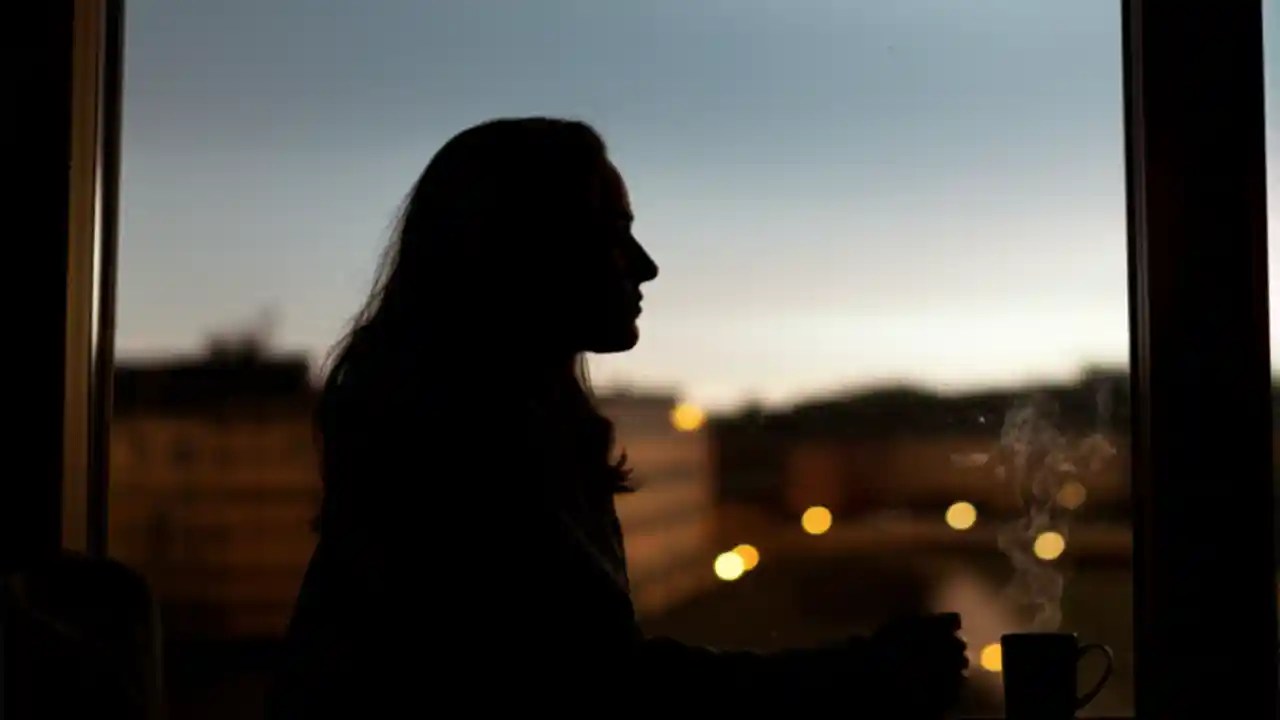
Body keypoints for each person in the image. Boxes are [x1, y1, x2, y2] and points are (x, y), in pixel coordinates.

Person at [266, 117, 967, 716]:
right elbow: (607, 693)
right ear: (524, 250)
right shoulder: (458, 460)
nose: (645, 265)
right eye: (612, 234)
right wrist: (859, 676)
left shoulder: (493, 430)